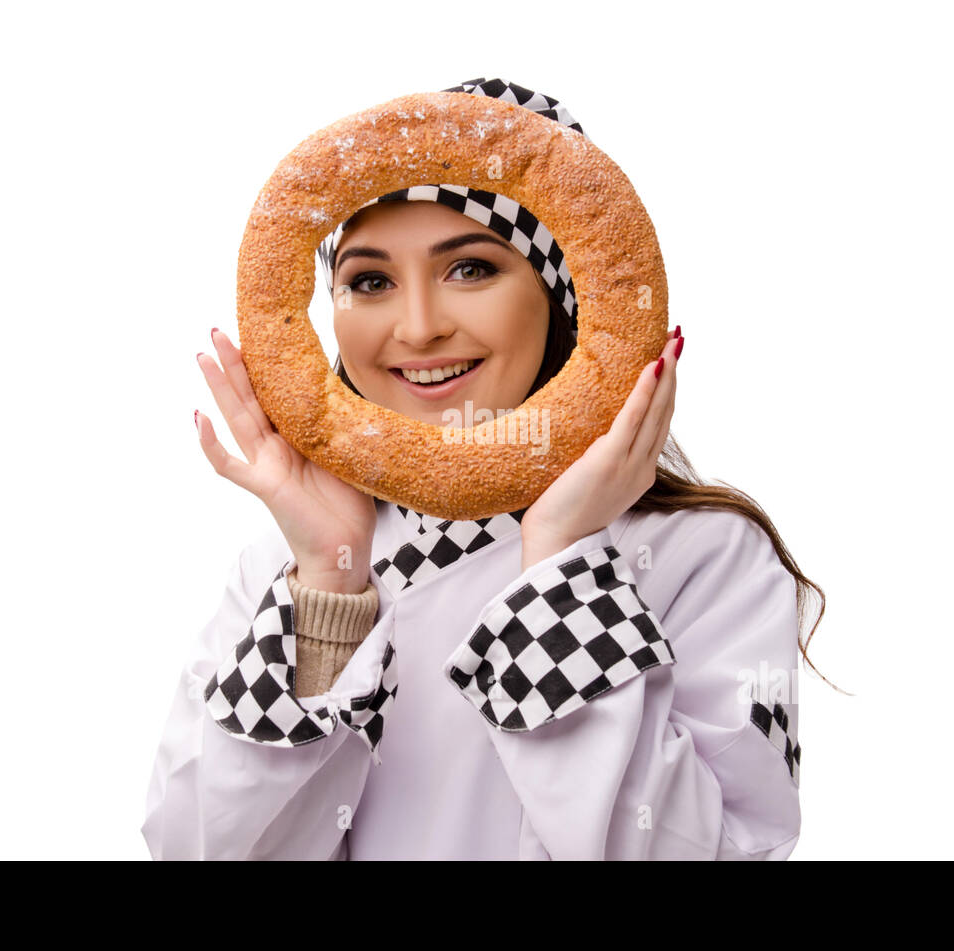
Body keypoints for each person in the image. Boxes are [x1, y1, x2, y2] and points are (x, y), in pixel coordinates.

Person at [140, 78, 830, 860]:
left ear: (559, 291)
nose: (420, 327)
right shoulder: (290, 564)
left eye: (469, 269)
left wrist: (561, 560)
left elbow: (724, 853)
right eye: (370, 280)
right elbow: (195, 851)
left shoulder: (701, 556)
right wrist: (329, 594)